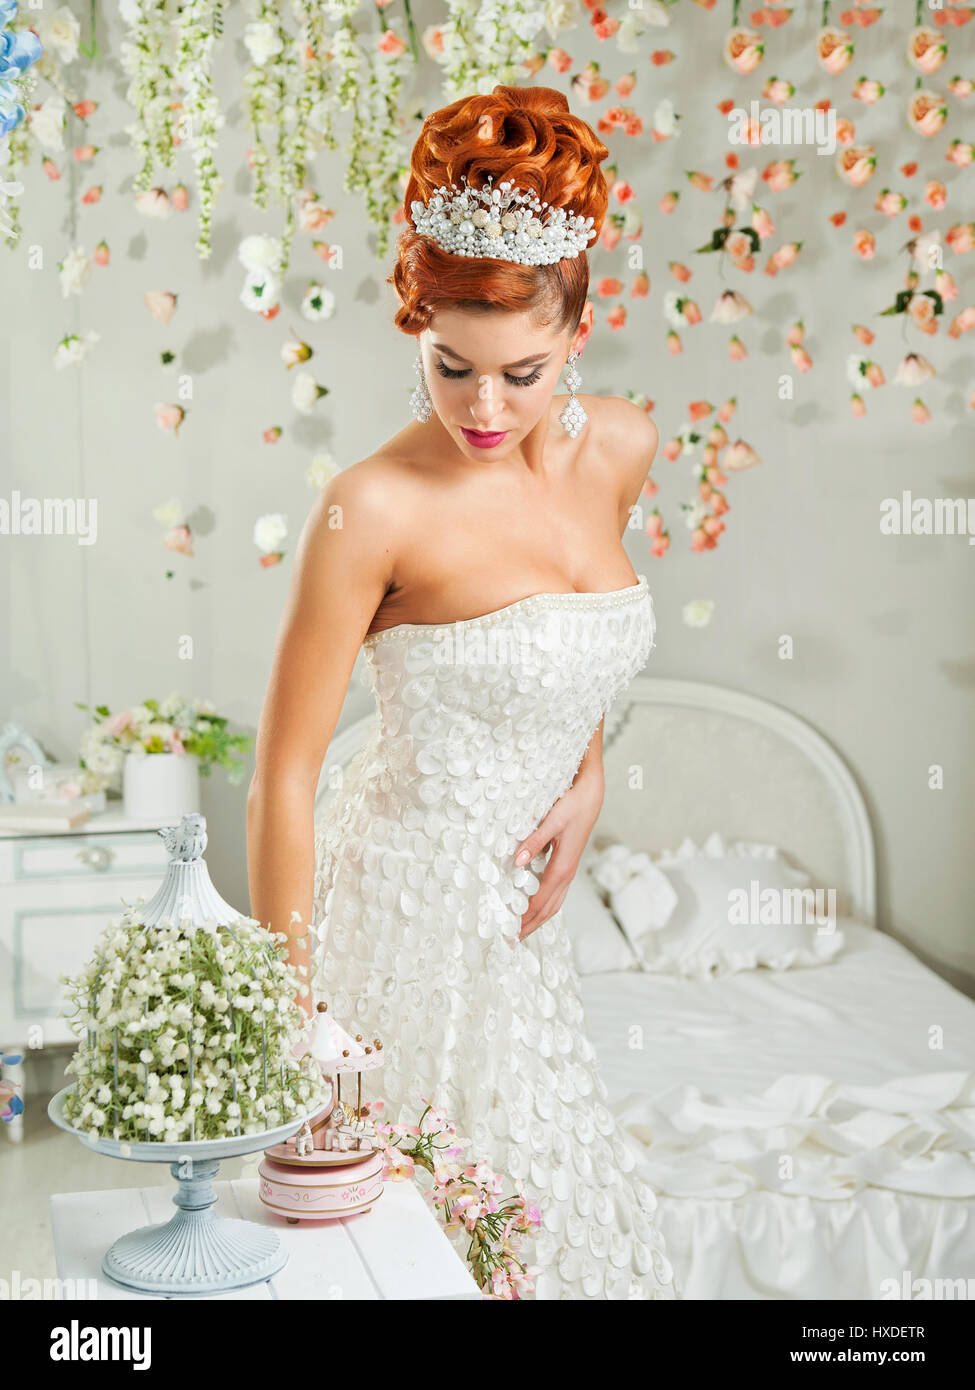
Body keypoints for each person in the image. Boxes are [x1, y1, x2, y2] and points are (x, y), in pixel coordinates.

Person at [247, 83, 678, 1300]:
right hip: (399, 910)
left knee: (540, 1226)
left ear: (581, 328)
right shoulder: (372, 506)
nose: (484, 410)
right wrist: (296, 1025)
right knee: (418, 1244)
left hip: (522, 925)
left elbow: (580, 639)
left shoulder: (625, 448)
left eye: (524, 372)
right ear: (415, 324)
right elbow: (284, 771)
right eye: (451, 366)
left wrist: (585, 775)